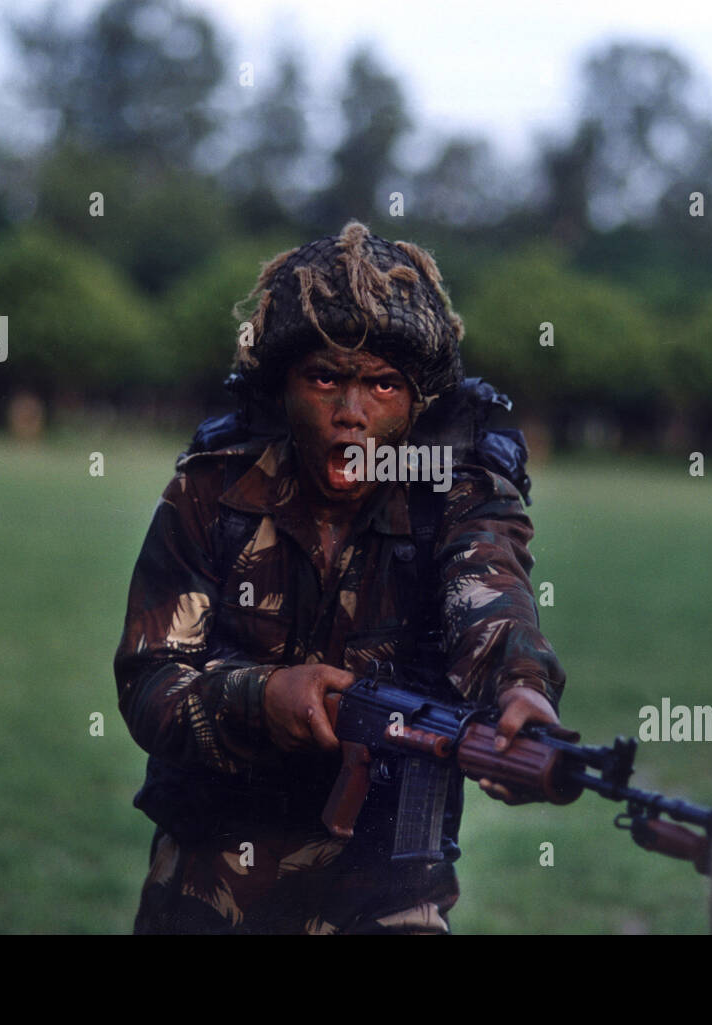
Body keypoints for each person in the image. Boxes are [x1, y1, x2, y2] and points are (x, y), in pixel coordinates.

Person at [113, 221, 567, 934]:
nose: (351, 415)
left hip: (387, 883)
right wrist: (261, 698)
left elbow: (489, 595)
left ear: (417, 404)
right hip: (213, 873)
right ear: (284, 385)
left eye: (383, 385)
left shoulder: (453, 491)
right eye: (326, 377)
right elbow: (149, 684)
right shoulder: (211, 492)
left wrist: (521, 691)